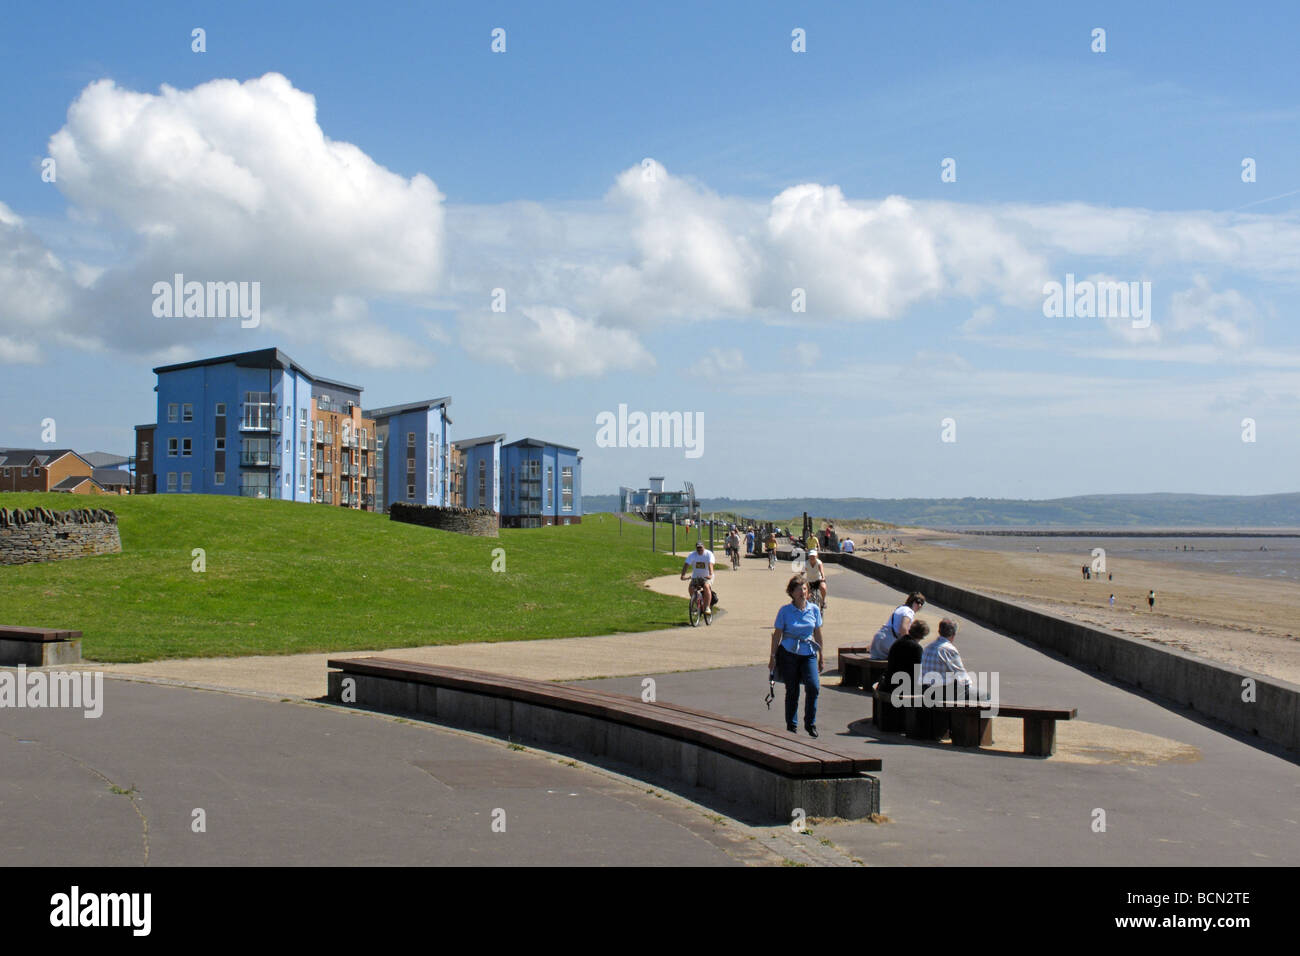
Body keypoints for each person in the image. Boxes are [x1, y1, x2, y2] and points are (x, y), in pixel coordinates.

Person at [768, 576, 824, 736]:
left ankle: (810, 723)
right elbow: (777, 635)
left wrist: (821, 655)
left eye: (805, 589)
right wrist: (772, 657)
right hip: (789, 653)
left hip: (808, 652)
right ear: (791, 592)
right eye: (799, 589)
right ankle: (792, 725)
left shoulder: (813, 609)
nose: (802, 592)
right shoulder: (784, 611)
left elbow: (818, 634)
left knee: (813, 687)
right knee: (792, 690)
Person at [881, 619, 928, 732]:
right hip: (903, 688)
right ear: (921, 636)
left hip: (889, 683)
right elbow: (918, 673)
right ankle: (921, 726)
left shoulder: (897, 642)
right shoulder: (916, 648)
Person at [869, 591, 925, 659]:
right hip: (888, 642)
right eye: (918, 602)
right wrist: (910, 645)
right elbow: (903, 629)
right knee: (913, 656)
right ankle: (916, 670)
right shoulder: (909, 612)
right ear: (911, 601)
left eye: (922, 603)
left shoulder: (900, 608)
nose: (920, 605)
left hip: (878, 640)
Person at [679, 541, 715, 617]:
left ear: (704, 547)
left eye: (701, 548)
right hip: (696, 577)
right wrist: (683, 575)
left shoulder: (708, 554)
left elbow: (710, 564)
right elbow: (686, 564)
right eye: (698, 548)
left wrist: (711, 574)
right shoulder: (692, 554)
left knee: (706, 586)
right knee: (691, 588)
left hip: (707, 576)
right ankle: (697, 604)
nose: (699, 550)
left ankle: (707, 607)